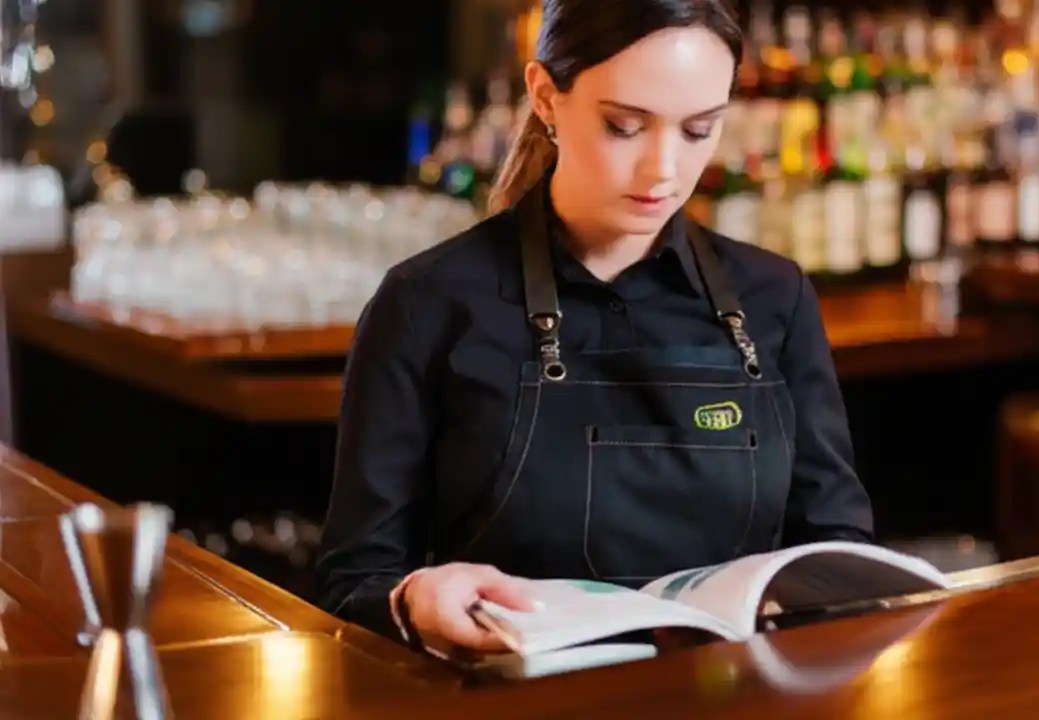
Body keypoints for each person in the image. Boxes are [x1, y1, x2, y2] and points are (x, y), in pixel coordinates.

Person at [315, 0, 874, 654]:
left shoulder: (775, 298)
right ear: (546, 97)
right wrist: (411, 602)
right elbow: (352, 584)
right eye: (625, 126)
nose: (663, 170)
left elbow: (839, 553)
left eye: (699, 130)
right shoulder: (426, 304)